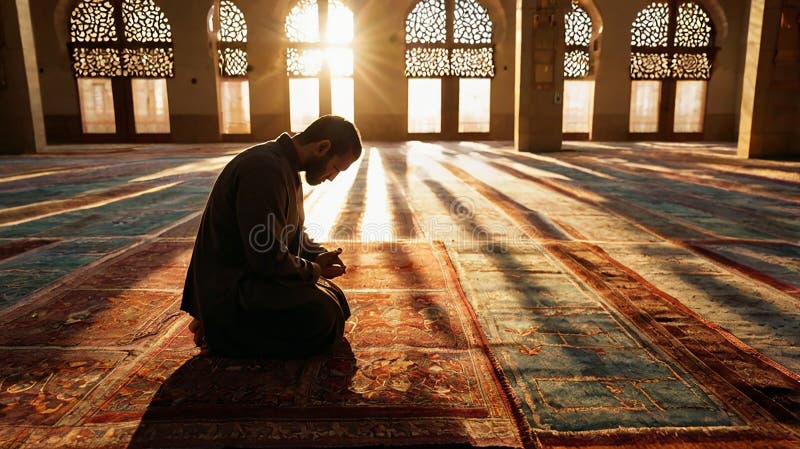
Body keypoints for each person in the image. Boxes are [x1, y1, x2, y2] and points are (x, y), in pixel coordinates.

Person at [181, 115, 362, 357]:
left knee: (335, 299)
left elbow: (289, 233)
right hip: (232, 286)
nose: (331, 178)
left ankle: (220, 325)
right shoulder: (263, 169)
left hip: (252, 277)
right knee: (324, 315)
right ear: (322, 147)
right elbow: (266, 257)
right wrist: (313, 269)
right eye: (335, 168)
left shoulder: (284, 167)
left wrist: (317, 255)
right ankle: (219, 330)